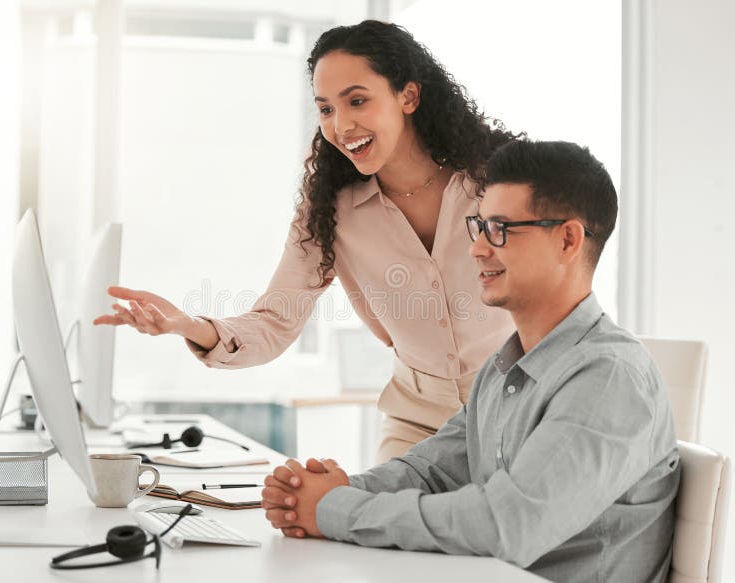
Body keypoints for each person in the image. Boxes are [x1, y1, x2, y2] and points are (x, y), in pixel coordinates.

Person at [94, 20, 520, 462]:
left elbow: (560, 288)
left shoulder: (499, 182)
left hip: (521, 408)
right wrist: (191, 326)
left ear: (408, 96)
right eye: (326, 109)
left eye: (357, 101)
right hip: (418, 424)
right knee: (372, 526)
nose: (341, 125)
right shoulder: (330, 209)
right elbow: (276, 320)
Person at [261, 140, 680, 583]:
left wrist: (333, 509)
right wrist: (321, 493)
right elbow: (431, 471)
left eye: (500, 228)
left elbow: (504, 526)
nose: (477, 248)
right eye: (479, 226)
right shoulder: (507, 368)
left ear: (568, 240)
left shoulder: (608, 378)